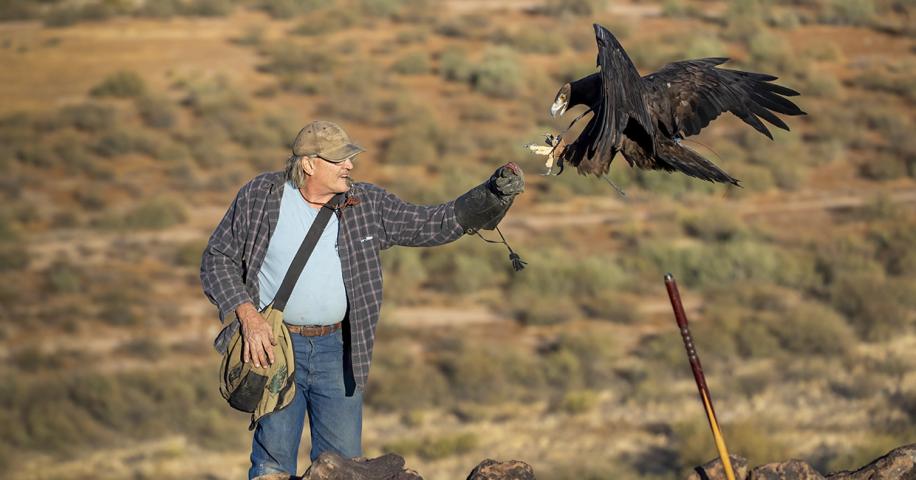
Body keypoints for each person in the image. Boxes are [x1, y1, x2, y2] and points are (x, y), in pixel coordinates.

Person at [200, 120, 524, 479]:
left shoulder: (365, 203)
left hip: (340, 351)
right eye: (339, 160)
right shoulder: (261, 195)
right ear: (308, 163)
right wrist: (248, 316)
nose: (349, 166)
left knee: (345, 468)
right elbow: (217, 258)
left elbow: (431, 223)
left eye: (349, 159)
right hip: (275, 349)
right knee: (272, 465)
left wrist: (491, 195)